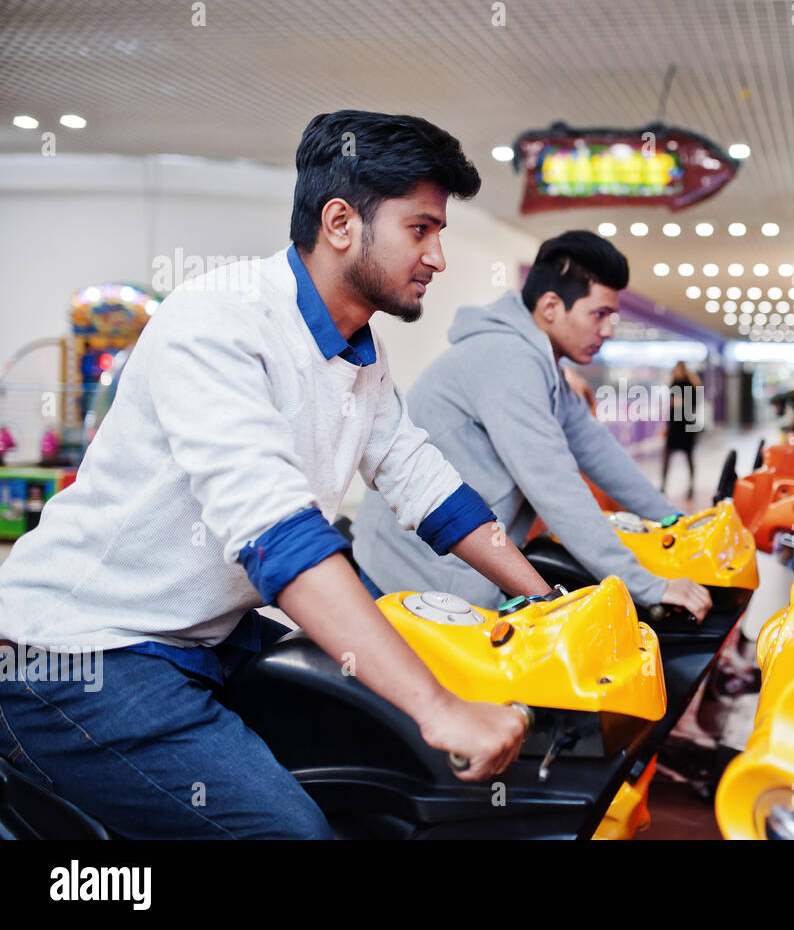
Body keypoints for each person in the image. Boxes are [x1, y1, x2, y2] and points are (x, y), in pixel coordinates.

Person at [0, 110, 551, 839]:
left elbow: (425, 485)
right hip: (79, 655)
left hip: (201, 638)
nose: (438, 256)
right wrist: (440, 710)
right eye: (421, 229)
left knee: (375, 760)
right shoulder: (217, 324)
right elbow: (278, 535)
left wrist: (544, 600)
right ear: (341, 223)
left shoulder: (360, 350)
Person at [352, 231, 712, 622]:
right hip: (409, 580)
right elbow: (556, 488)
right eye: (599, 314)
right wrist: (647, 586)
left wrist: (682, 523)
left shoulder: (545, 369)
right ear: (552, 306)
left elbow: (602, 454)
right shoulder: (510, 359)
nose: (608, 330)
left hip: (450, 571)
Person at [661, 361, 703, 500]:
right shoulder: (673, 386)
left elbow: (693, 406)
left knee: (689, 456)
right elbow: (671, 408)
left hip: (687, 425)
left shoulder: (691, 386)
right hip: (674, 425)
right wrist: (666, 427)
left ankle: (691, 486)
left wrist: (683, 402)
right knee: (667, 455)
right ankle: (663, 485)